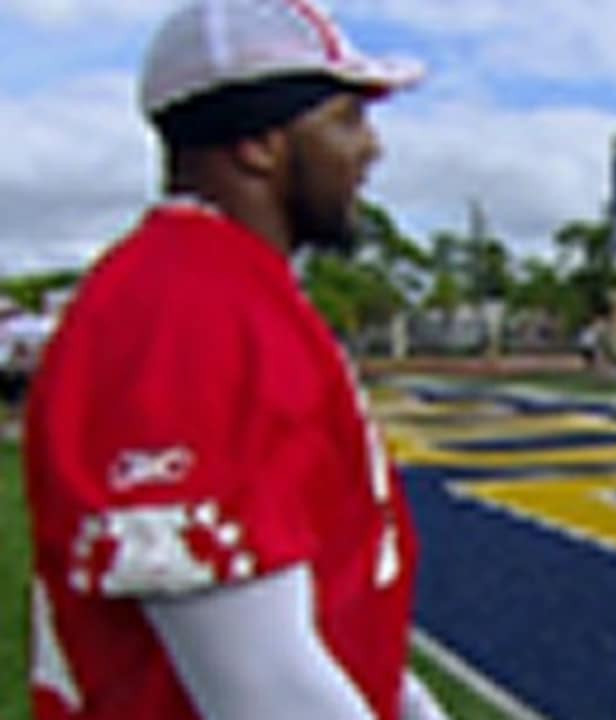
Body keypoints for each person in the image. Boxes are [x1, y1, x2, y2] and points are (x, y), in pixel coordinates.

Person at [22, 1, 447, 718]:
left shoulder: (233, 292)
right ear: (259, 143)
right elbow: (260, 688)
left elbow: (319, 623)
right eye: (346, 119)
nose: (370, 149)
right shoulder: (187, 311)